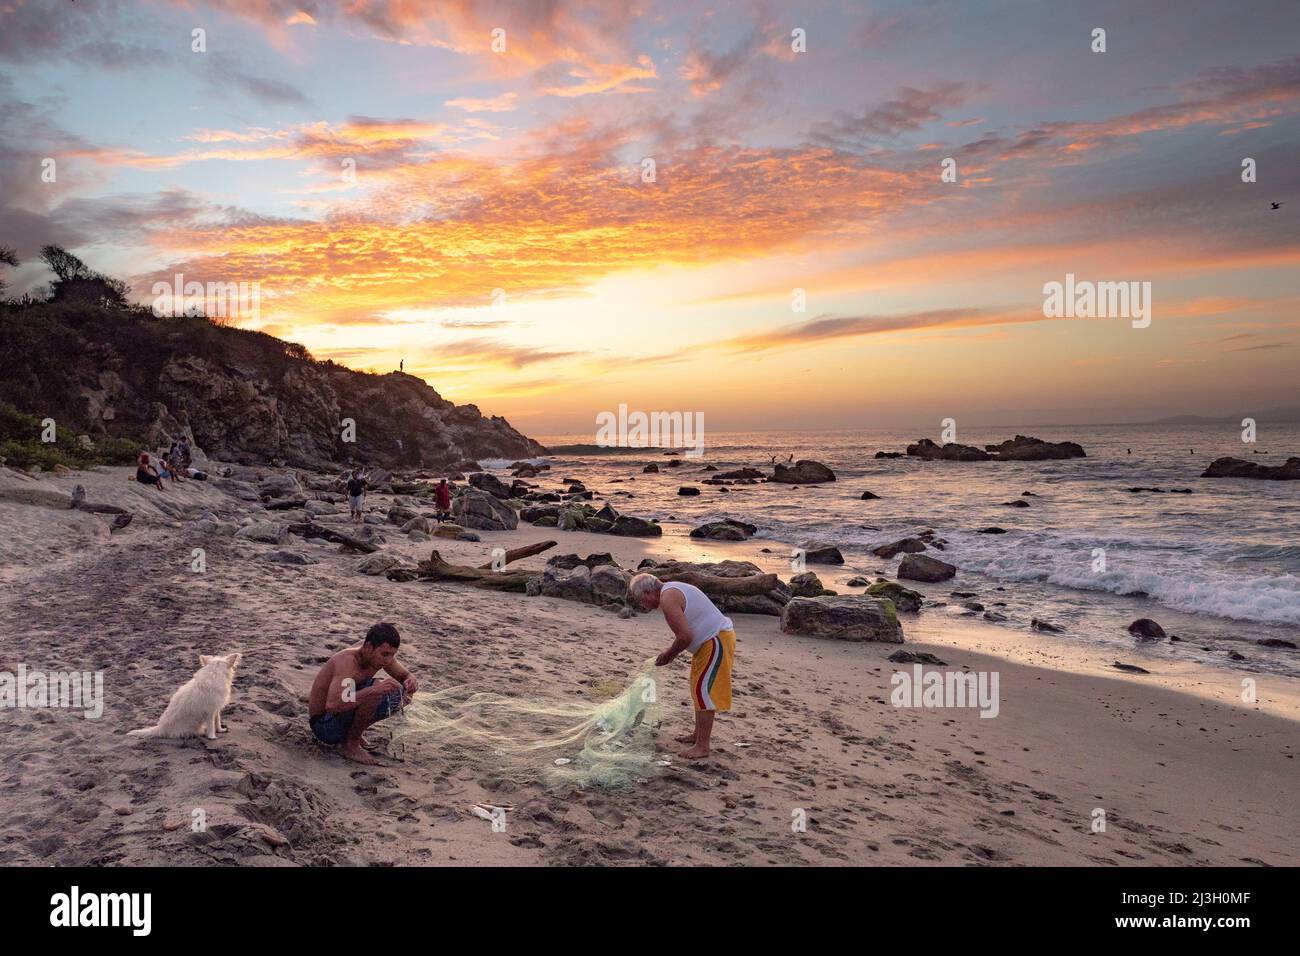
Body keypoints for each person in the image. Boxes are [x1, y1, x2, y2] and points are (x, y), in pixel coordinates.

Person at [628, 573, 736, 759]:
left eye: (640, 600)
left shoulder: (668, 597)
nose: (642, 605)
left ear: (647, 592)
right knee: (698, 689)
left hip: (716, 640)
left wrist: (669, 655)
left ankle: (702, 746)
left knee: (704, 692)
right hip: (708, 643)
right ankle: (697, 736)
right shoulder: (670, 590)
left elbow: (685, 636)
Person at [307, 623, 418, 765]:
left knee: (403, 694)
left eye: (392, 655)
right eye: (384, 654)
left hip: (341, 714)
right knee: (376, 688)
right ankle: (351, 745)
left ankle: (354, 733)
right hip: (325, 727)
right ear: (369, 647)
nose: (388, 660)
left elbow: (404, 675)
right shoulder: (347, 662)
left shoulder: (376, 655)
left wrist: (411, 680)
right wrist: (372, 690)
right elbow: (333, 704)